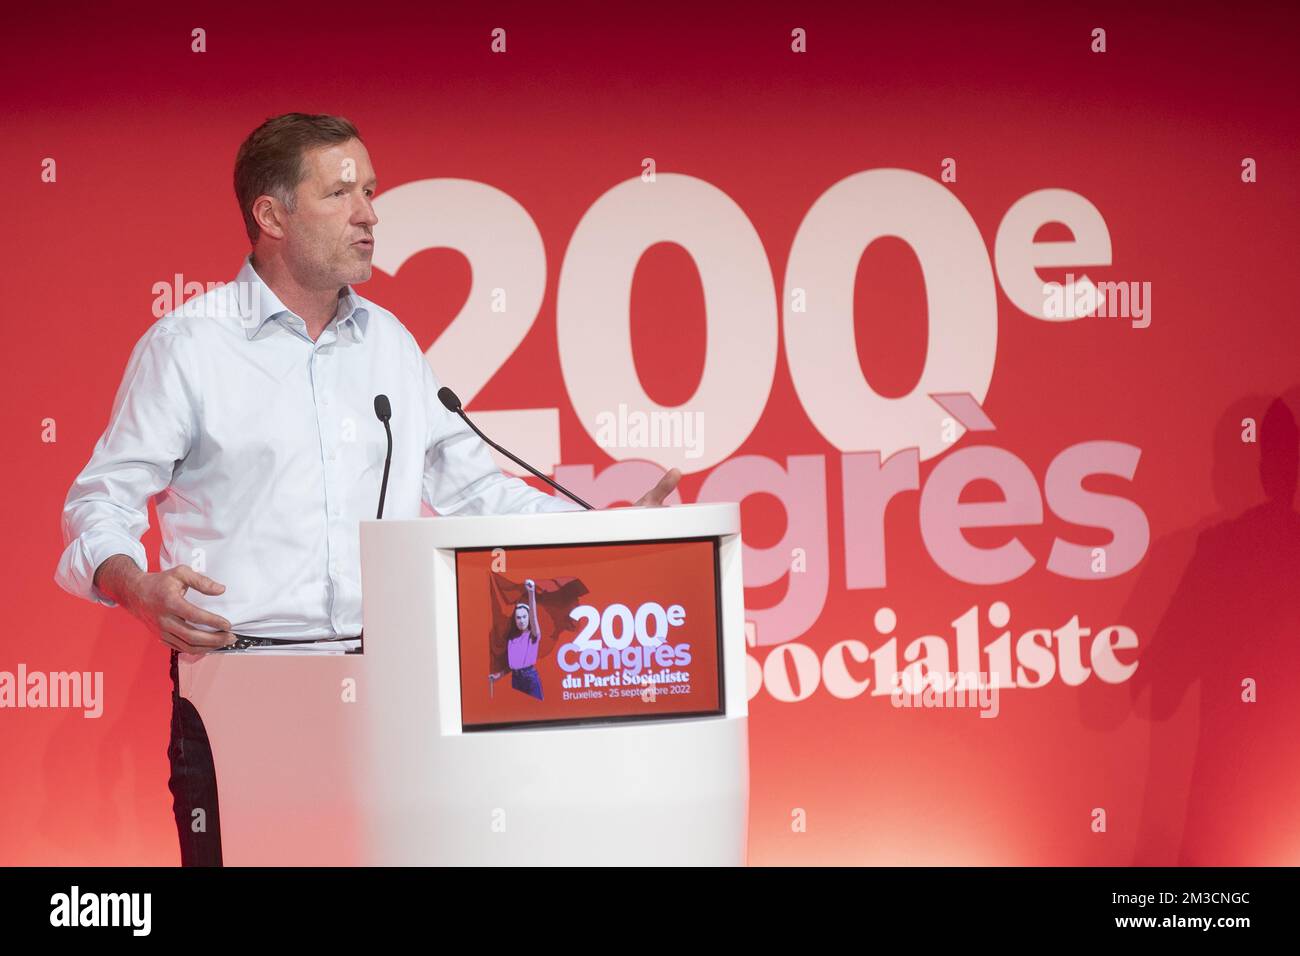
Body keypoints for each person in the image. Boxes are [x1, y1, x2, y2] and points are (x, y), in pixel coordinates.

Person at [52, 113, 680, 867]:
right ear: (271, 215)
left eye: (372, 192)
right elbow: (99, 502)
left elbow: (477, 492)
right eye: (341, 193)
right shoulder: (188, 348)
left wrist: (607, 532)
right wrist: (136, 586)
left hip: (386, 691)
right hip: (238, 690)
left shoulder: (391, 345)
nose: (369, 214)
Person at [490, 579, 544, 700]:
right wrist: (498, 676)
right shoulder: (511, 640)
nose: (522, 620)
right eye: (518, 617)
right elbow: (512, 665)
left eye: (524, 617)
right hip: (515, 679)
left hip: (530, 678)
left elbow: (534, 616)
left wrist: (531, 593)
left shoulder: (533, 635)